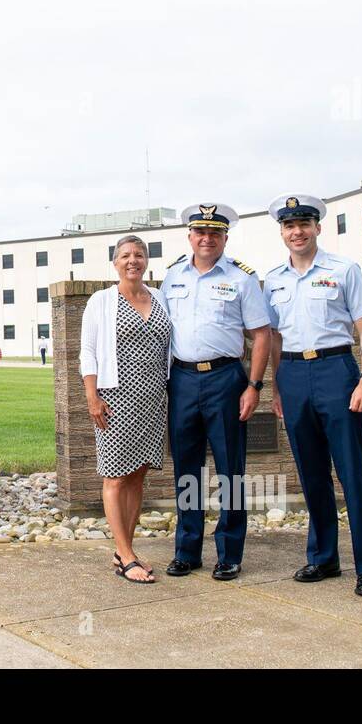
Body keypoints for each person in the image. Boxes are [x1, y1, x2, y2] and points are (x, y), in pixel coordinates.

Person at [263, 194, 362, 597]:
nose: (297, 232)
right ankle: (323, 557)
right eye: (289, 226)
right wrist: (277, 388)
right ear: (282, 232)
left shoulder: (343, 270)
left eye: (304, 224)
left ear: (317, 228)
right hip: (294, 374)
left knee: (352, 474)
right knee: (311, 474)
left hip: (336, 371)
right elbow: (275, 338)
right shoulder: (275, 279)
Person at [163, 204, 272, 581]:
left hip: (226, 379)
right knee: (187, 469)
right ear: (190, 236)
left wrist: (254, 387)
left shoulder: (242, 278)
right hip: (182, 379)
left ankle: (229, 552)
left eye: (215, 233)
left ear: (225, 237)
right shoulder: (173, 275)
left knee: (231, 471)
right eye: (200, 232)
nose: (207, 239)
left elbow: (261, 334)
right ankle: (187, 549)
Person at [80, 235, 172, 583]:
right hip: (115, 399)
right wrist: (92, 397)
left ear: (146, 260)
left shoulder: (160, 297)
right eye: (125, 256)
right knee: (115, 475)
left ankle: (125, 551)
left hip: (152, 399)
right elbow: (87, 352)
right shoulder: (101, 301)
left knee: (139, 473)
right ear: (115, 262)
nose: (132, 260)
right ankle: (125, 554)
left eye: (139, 255)